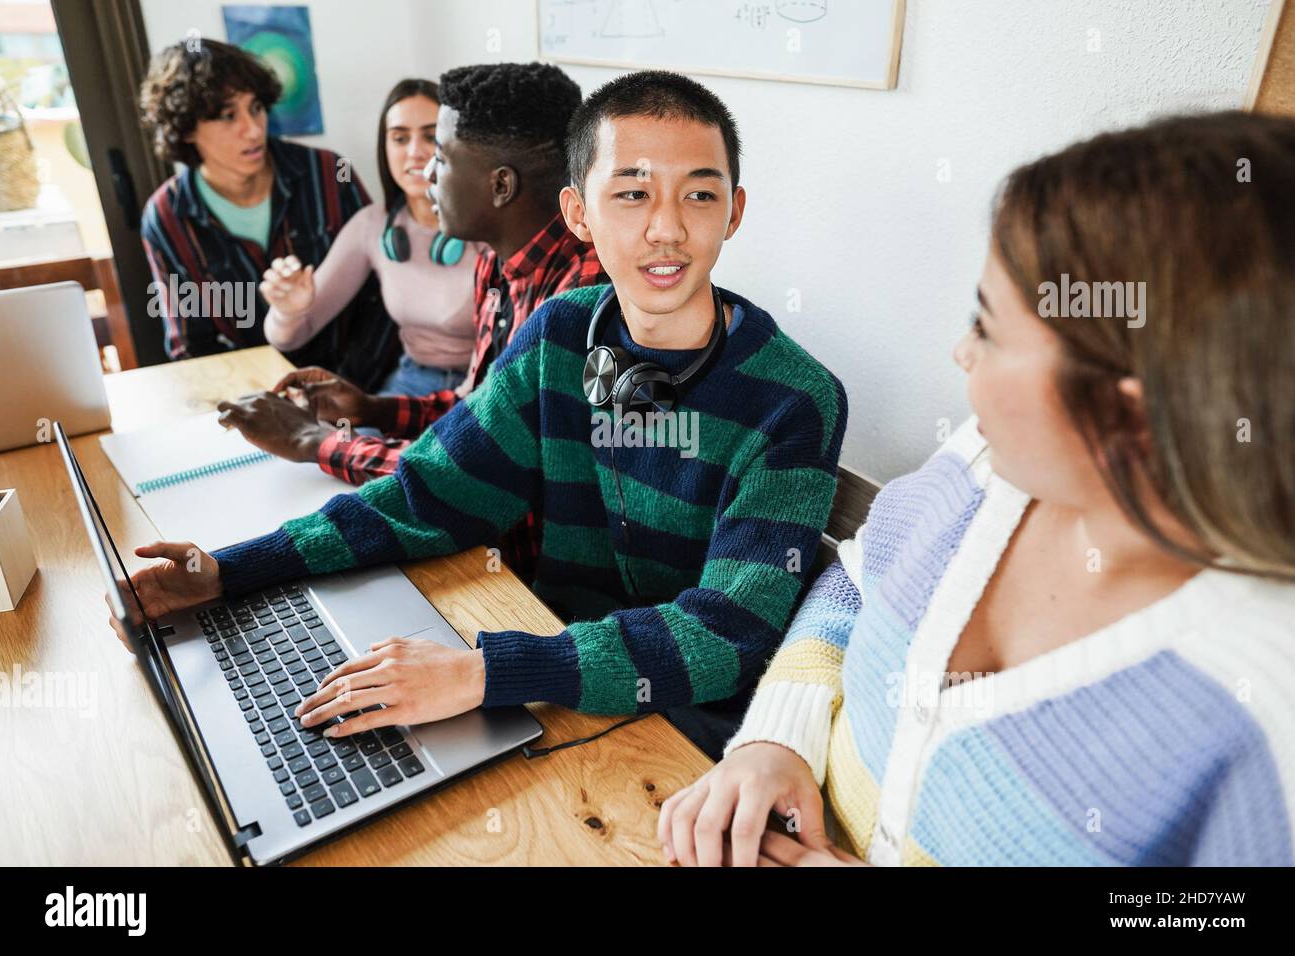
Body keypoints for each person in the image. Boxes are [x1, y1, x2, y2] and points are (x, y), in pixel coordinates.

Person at [110, 70, 848, 761]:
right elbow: (430, 493)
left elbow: (728, 634)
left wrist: (483, 674)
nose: (667, 229)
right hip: (547, 673)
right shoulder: (560, 333)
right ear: (578, 213)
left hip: (674, 731)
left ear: (735, 212)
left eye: (699, 196)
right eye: (631, 195)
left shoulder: (794, 401)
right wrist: (229, 572)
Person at [659, 110, 1295, 867]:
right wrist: (776, 739)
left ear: (1127, 415)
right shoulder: (986, 463)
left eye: (988, 330)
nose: (961, 353)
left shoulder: (1265, 720)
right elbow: (856, 584)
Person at [216, 62, 606, 584]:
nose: (425, 173)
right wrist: (373, 407)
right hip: (486, 543)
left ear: (500, 186)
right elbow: (478, 411)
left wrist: (314, 440)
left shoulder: (583, 301)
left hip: (537, 581)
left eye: (441, 158)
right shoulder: (496, 261)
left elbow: (474, 475)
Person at [138, 38, 395, 388]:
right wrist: (264, 403)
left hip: (359, 388)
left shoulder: (330, 173)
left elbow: (384, 290)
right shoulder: (167, 217)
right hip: (256, 401)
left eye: (256, 108)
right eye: (229, 115)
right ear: (185, 129)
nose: (254, 128)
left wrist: (349, 390)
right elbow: (192, 345)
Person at [259, 78, 483, 399]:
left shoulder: (488, 226)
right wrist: (288, 310)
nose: (415, 152)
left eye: (431, 136)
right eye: (400, 138)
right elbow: (289, 338)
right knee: (340, 443)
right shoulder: (372, 225)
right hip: (411, 380)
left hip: (481, 383)